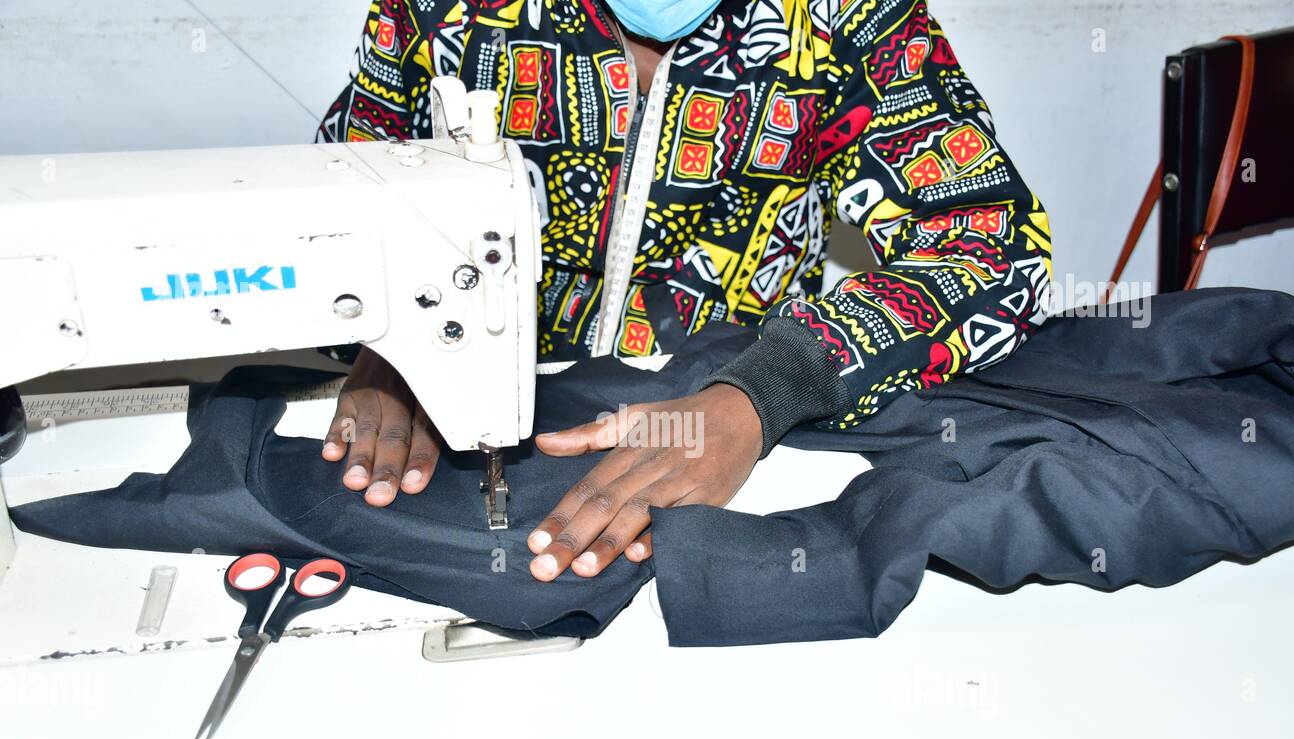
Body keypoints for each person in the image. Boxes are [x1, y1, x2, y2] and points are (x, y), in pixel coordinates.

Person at [318, 0, 1053, 582]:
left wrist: (764, 393)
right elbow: (338, 194)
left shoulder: (849, 15)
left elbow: (992, 242)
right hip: (501, 401)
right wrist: (387, 333)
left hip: (733, 422)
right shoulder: (440, 8)